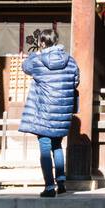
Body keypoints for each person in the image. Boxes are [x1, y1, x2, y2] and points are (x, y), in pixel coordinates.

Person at [19, 30, 80, 197]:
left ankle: (49, 187)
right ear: (57, 41)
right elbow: (76, 81)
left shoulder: (38, 60)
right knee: (57, 146)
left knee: (45, 147)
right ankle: (61, 183)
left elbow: (25, 67)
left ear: (42, 43)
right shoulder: (71, 61)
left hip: (43, 112)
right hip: (61, 112)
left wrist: (36, 53)